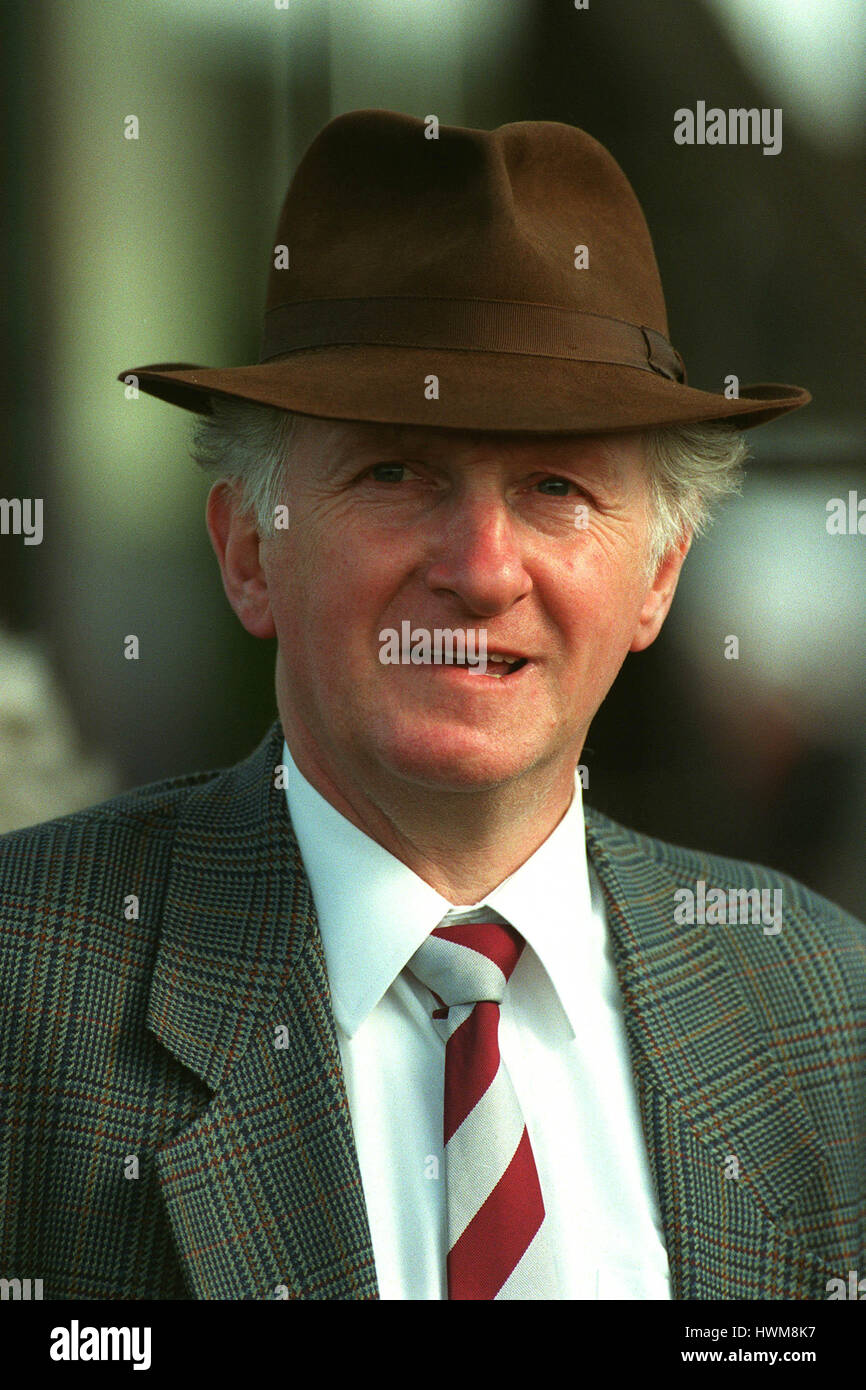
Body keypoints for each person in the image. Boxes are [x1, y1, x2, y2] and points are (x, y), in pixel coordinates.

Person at [1, 110, 863, 1302]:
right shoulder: (24, 989)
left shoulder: (828, 1014)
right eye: (395, 471)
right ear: (250, 549)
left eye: (555, 485)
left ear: (656, 574)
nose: (480, 563)